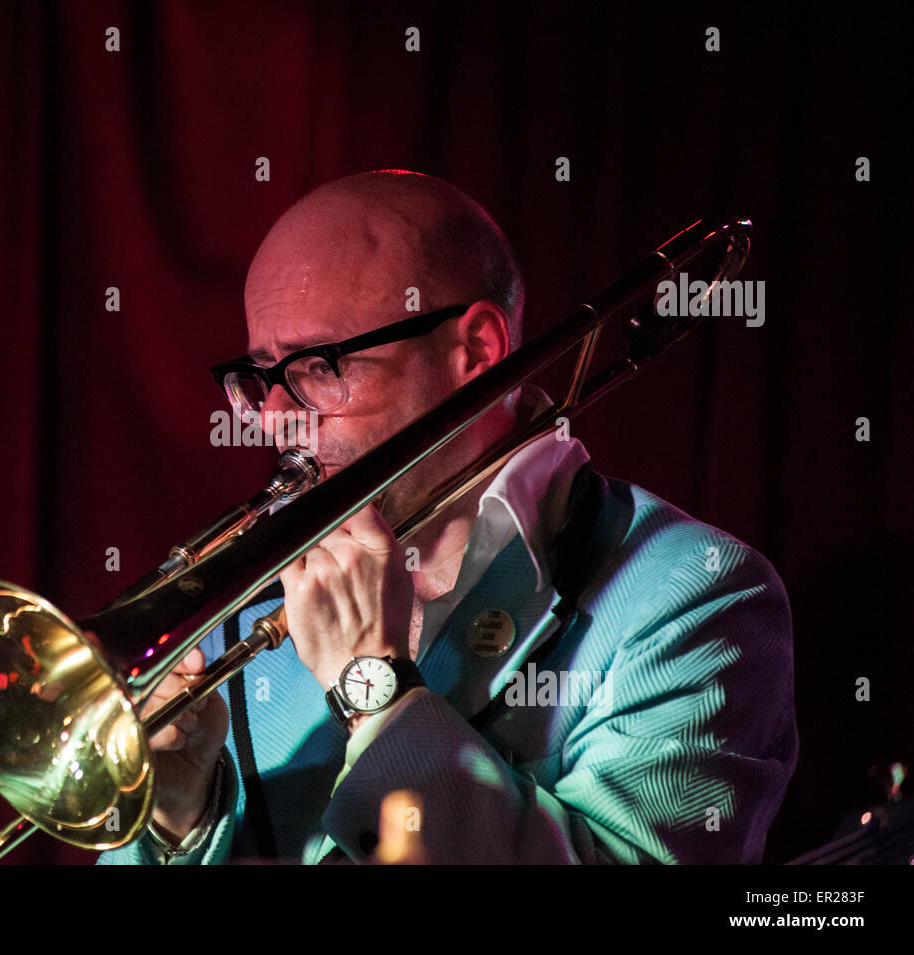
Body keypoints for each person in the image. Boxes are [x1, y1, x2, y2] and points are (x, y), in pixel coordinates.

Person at [96, 169, 798, 864]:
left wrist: (375, 691)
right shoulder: (241, 609)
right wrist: (182, 826)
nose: (275, 419)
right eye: (260, 375)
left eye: (319, 364)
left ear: (478, 351)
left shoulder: (699, 593)